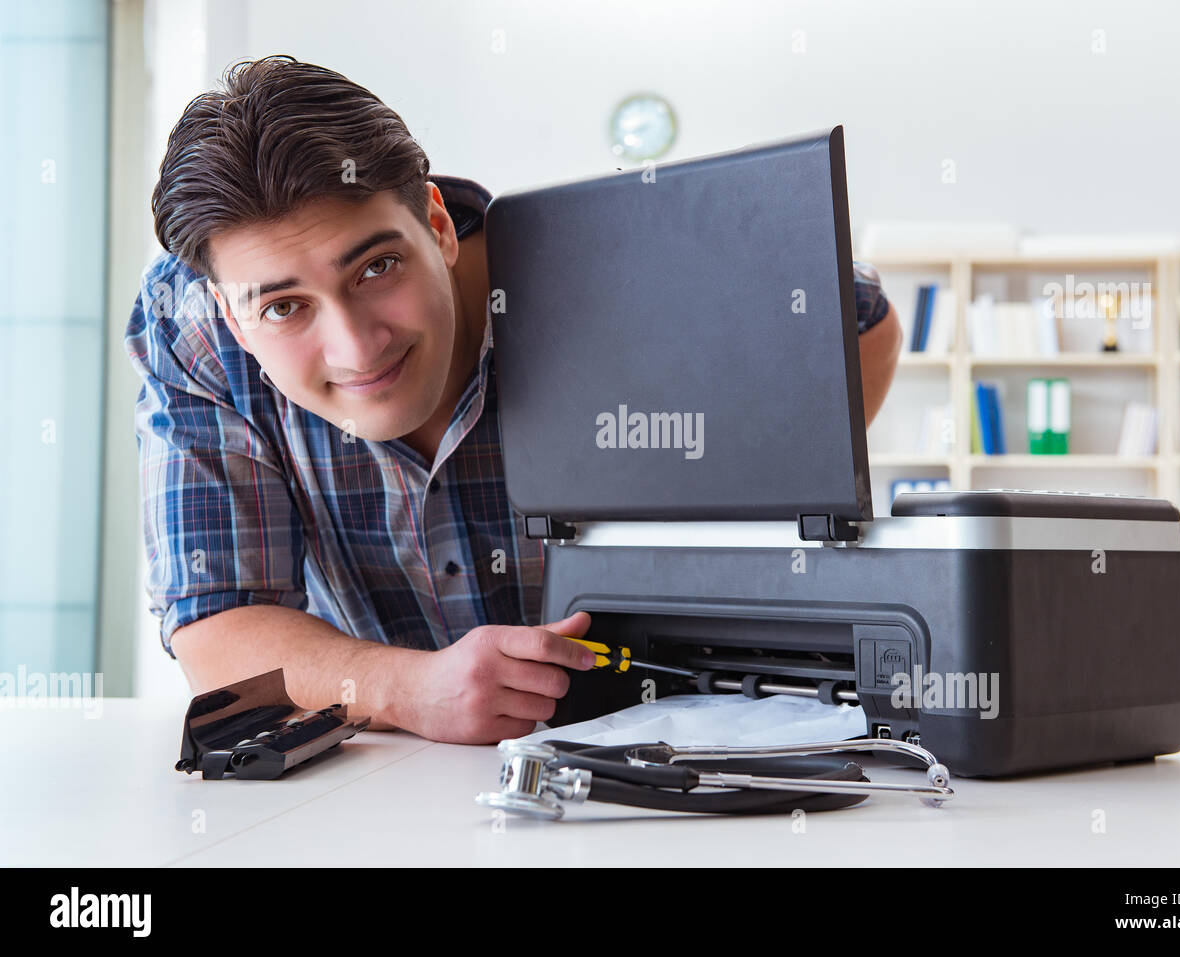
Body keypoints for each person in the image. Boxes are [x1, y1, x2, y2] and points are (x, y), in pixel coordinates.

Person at [127, 55, 903, 744]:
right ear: (232, 316)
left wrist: (739, 501)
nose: (357, 348)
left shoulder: (598, 258)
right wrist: (410, 688)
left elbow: (861, 315)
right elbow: (218, 627)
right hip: (409, 781)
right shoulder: (191, 330)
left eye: (376, 268)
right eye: (285, 308)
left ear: (436, 224)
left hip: (684, 742)